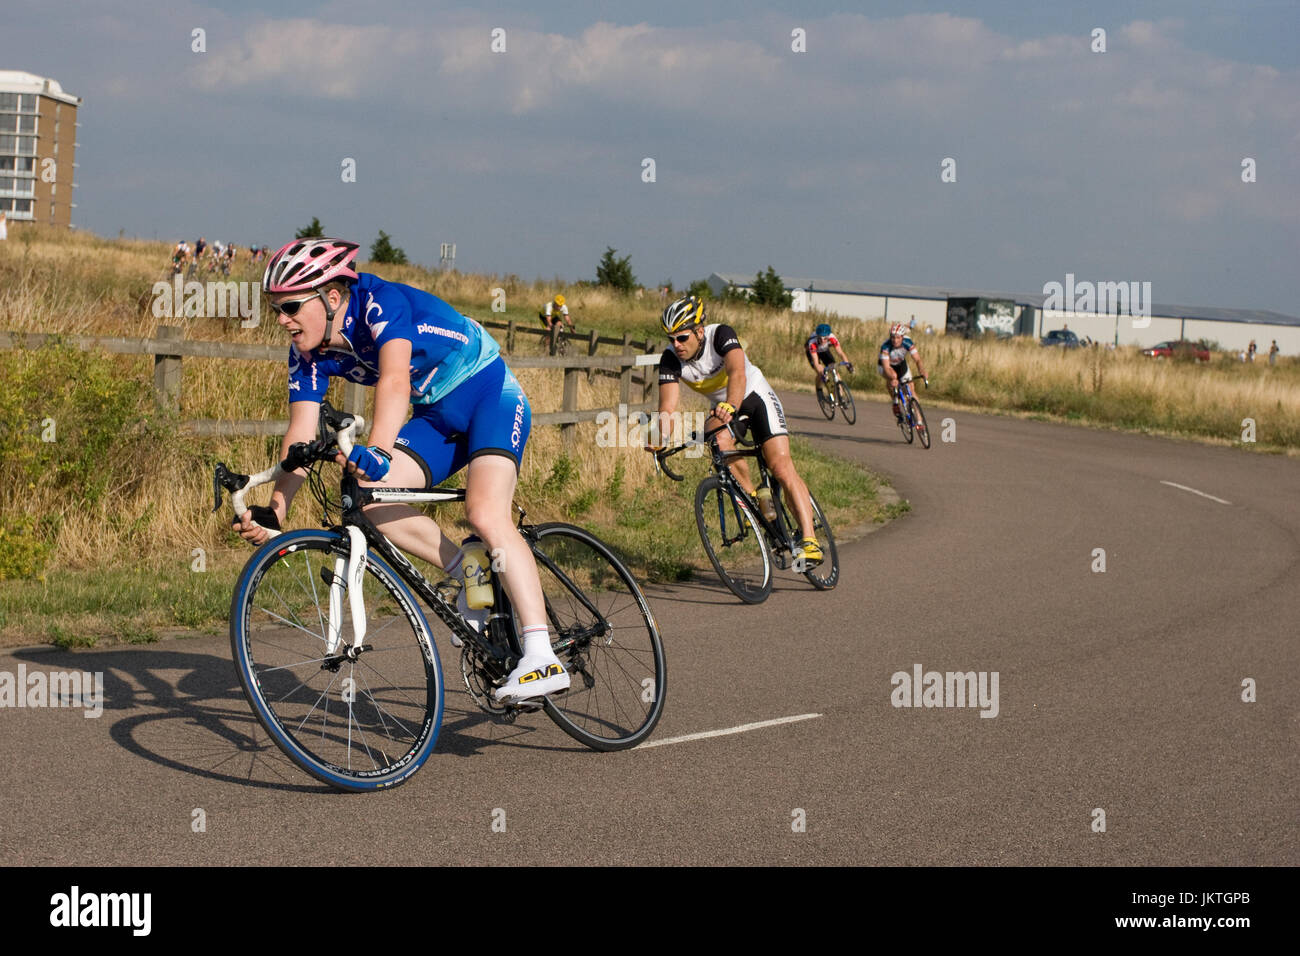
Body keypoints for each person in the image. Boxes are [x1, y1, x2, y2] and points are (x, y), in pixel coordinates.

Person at [231, 237, 568, 703]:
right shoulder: (307, 353)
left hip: (488, 392)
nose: (283, 321)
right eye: (277, 311)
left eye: (290, 307)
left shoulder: (378, 302)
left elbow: (394, 380)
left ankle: (541, 653)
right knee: (369, 498)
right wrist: (276, 511)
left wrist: (380, 450)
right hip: (436, 416)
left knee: (485, 512)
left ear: (331, 297)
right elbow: (300, 436)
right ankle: (474, 576)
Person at [649, 295, 824, 566]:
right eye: (670, 338)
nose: (676, 344)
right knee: (716, 438)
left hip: (754, 396)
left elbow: (737, 373)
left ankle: (810, 541)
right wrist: (661, 439)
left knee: (780, 465)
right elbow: (668, 408)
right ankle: (755, 497)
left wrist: (731, 405)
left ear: (698, 330)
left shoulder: (721, 334)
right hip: (725, 407)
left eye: (682, 337)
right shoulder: (671, 359)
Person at [879, 323, 930, 423]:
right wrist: (893, 379)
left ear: (902, 337)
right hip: (886, 366)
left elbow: (917, 360)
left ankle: (919, 420)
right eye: (893, 337)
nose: (895, 340)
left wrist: (922, 370)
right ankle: (895, 402)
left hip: (900, 364)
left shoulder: (908, 343)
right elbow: (886, 367)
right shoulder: (885, 346)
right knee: (893, 379)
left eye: (898, 338)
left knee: (911, 389)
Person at [805, 322, 853, 396]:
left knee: (834, 369)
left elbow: (840, 353)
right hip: (813, 352)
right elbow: (816, 363)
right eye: (820, 338)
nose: (822, 340)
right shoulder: (812, 343)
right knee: (821, 372)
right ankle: (819, 389)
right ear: (817, 336)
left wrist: (848, 364)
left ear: (828, 336)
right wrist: (822, 373)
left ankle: (840, 395)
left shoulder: (832, 338)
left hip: (824, 351)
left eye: (825, 338)